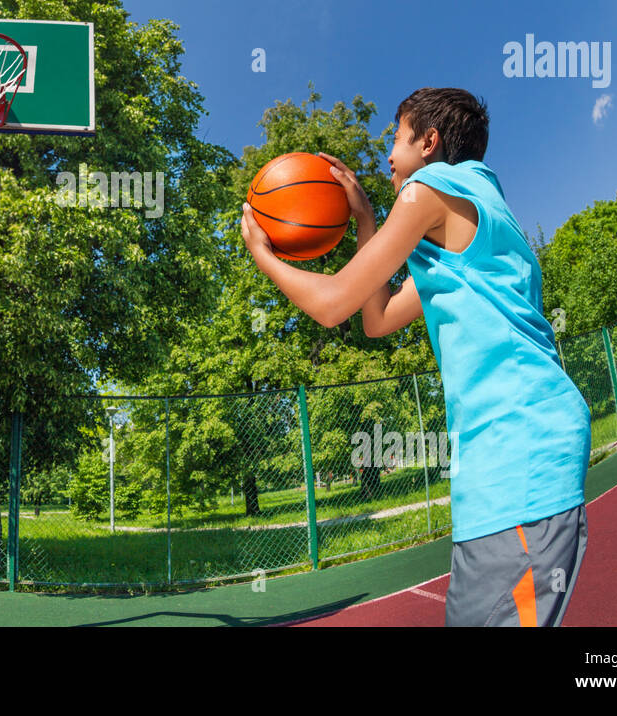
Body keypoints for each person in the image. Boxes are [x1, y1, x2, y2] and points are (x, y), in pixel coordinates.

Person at [240, 87, 590, 626]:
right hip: (514, 454)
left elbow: (334, 305)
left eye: (397, 139)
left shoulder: (428, 190)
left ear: (429, 143)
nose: (387, 156)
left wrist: (264, 256)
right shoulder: (479, 209)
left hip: (516, 453)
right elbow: (377, 318)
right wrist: (365, 221)